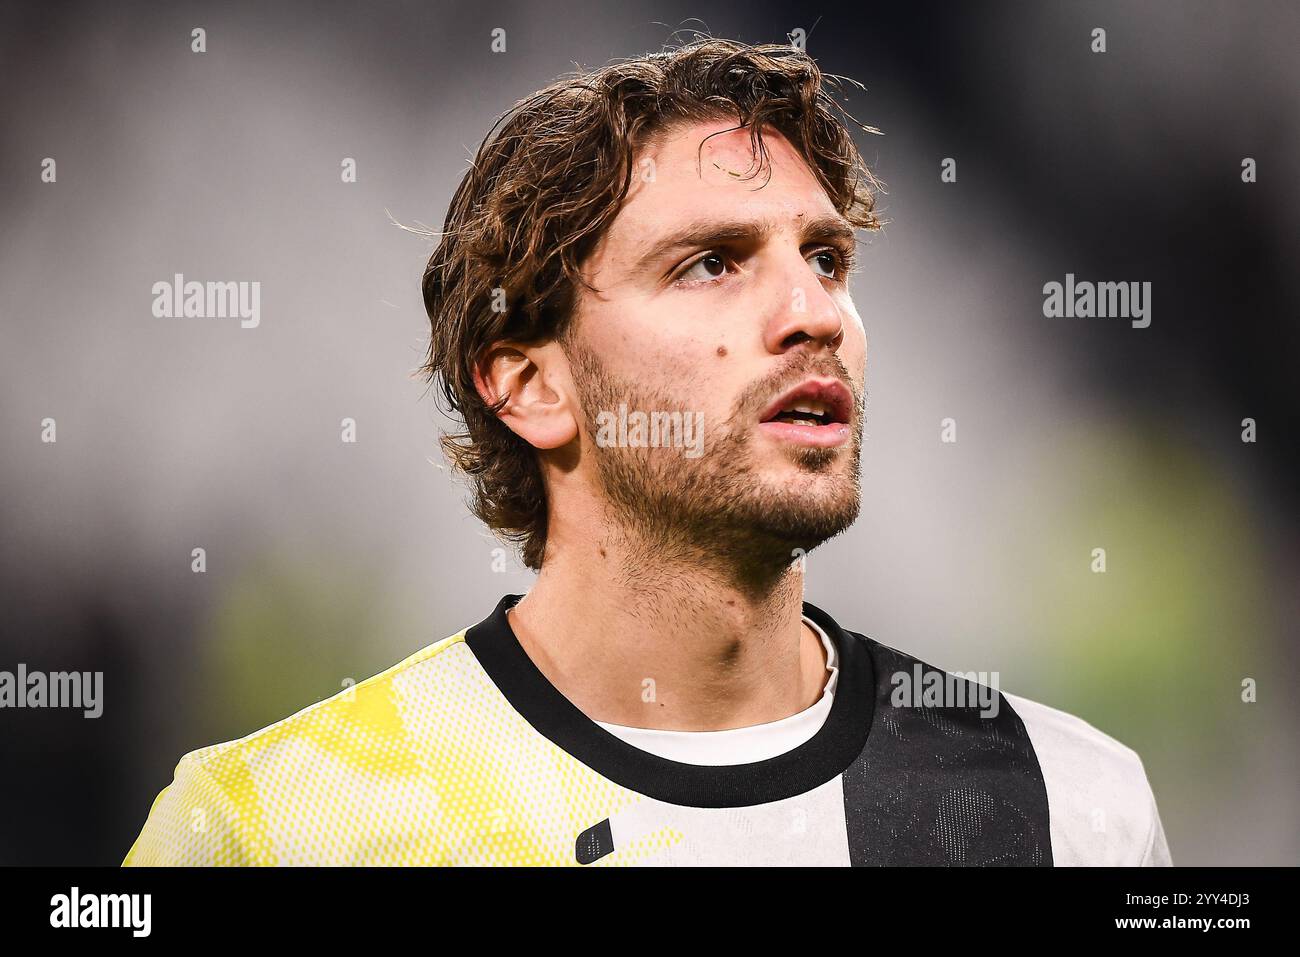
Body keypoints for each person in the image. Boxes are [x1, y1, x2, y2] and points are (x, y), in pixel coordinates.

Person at [124, 38, 1171, 866]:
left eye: (825, 258)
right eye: (712, 263)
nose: (811, 312)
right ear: (530, 385)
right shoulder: (274, 830)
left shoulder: (1070, 806)